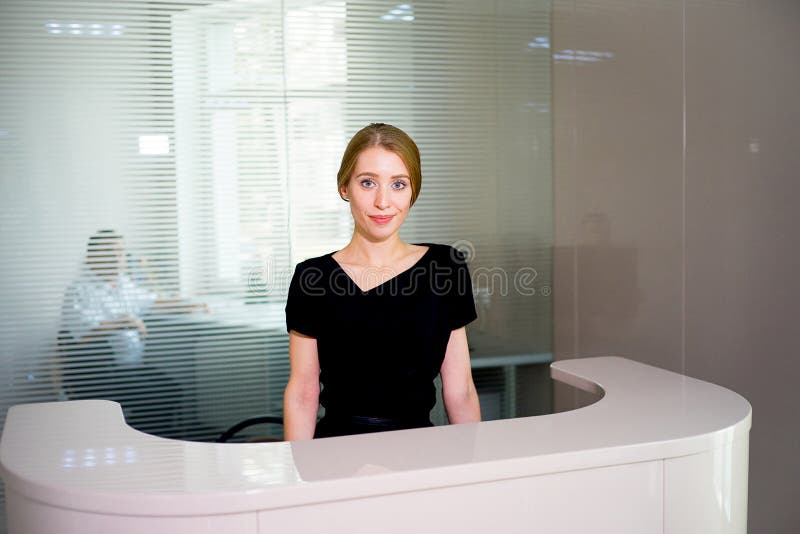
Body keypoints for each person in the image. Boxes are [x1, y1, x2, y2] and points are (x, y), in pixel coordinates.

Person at [283, 123, 482, 440]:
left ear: (413, 190)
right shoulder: (312, 277)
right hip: (334, 456)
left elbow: (461, 392)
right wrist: (297, 483)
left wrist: (476, 474)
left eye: (398, 185)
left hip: (420, 455)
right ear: (344, 187)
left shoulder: (446, 267)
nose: (383, 202)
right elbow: (303, 393)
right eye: (367, 183)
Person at [58, 230, 186, 435]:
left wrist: (194, 304)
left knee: (174, 392)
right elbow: (83, 335)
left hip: (131, 367)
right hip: (104, 374)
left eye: (120, 252)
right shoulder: (80, 290)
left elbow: (152, 301)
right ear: (92, 257)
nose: (117, 257)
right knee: (158, 400)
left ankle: (144, 438)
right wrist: (126, 322)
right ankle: (142, 443)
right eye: (109, 251)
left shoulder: (122, 284)